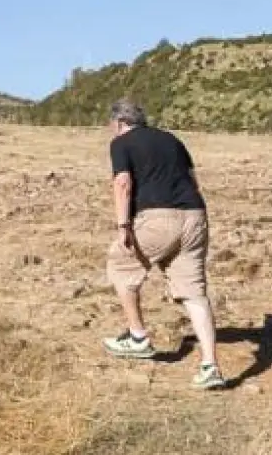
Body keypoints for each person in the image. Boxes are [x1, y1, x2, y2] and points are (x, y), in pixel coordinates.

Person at [100, 99, 226, 390]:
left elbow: (122, 183)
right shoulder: (172, 139)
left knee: (119, 264)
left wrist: (124, 226)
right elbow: (194, 181)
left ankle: (137, 337)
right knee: (194, 292)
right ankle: (211, 366)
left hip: (158, 218)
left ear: (119, 123)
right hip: (195, 216)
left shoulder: (122, 142)